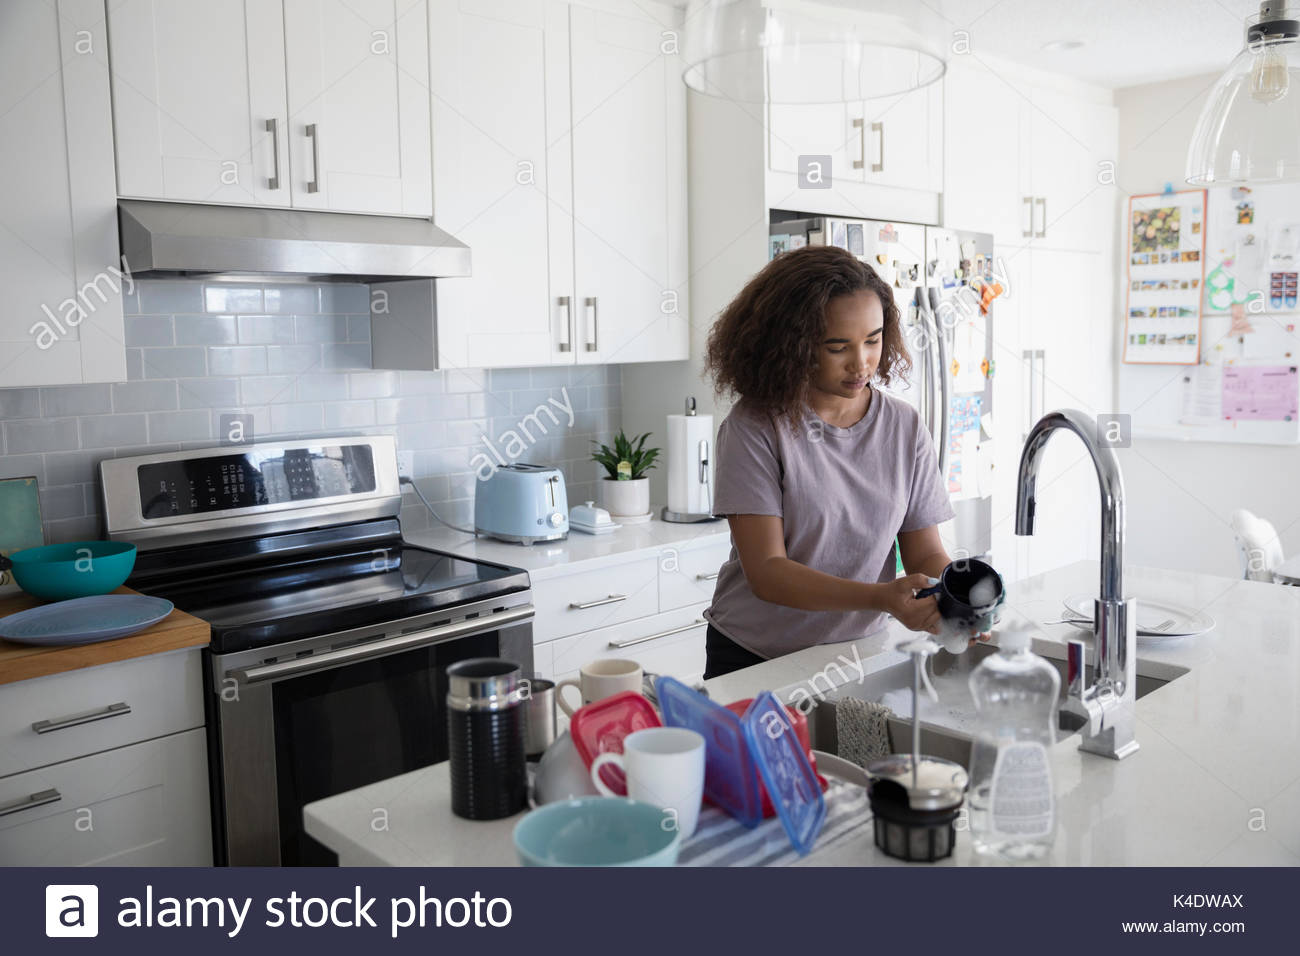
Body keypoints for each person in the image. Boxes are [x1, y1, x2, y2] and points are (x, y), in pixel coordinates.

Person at [701, 245, 958, 679]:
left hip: (858, 654)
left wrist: (957, 592)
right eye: (838, 347)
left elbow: (924, 552)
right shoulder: (755, 427)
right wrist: (880, 598)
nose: (861, 363)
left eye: (873, 340)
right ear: (793, 346)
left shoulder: (904, 425)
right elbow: (767, 573)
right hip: (756, 658)